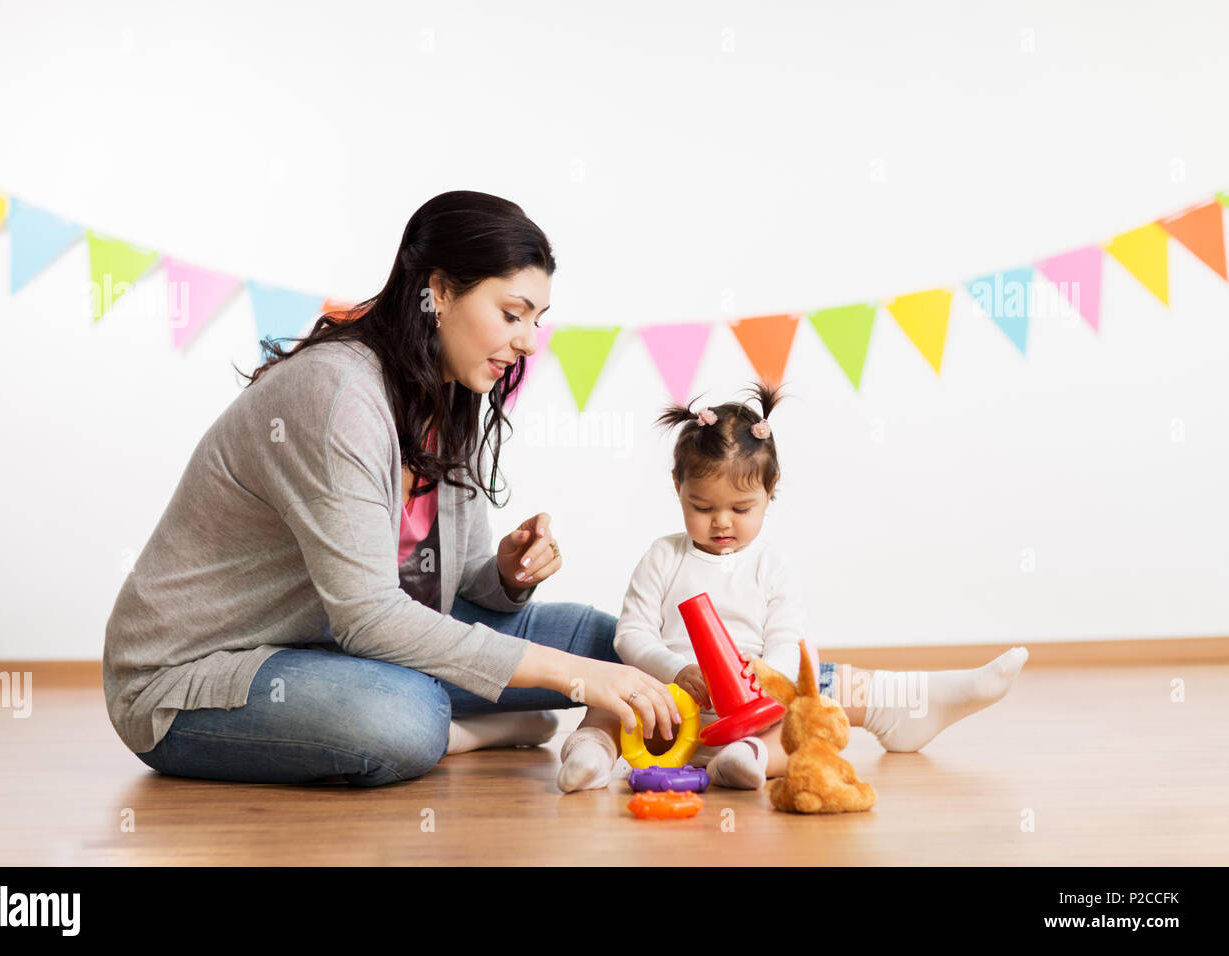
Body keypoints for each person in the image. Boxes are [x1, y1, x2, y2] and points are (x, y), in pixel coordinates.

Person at [102, 190, 683, 787]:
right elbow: (370, 617)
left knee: (606, 643)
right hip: (193, 674)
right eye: (513, 314)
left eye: (537, 319)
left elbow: (451, 587)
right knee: (404, 717)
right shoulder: (336, 397)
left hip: (331, 643)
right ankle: (463, 731)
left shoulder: (450, 393)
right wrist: (563, 677)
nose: (530, 342)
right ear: (440, 292)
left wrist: (506, 576)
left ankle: (512, 726)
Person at [553, 381, 1030, 792]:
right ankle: (589, 755)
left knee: (807, 706)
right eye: (702, 507)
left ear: (770, 489)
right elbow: (630, 635)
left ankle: (755, 757)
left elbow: (786, 637)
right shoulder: (664, 556)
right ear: (676, 485)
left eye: (741, 509)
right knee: (612, 703)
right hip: (669, 709)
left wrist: (765, 675)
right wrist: (677, 672)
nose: (722, 522)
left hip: (752, 708)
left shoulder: (770, 565)